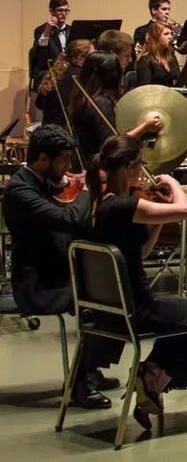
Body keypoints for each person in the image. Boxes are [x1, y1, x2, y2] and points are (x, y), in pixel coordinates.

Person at [88, 135, 187, 429]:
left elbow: (141, 252)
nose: (143, 172)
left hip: (114, 308)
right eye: (140, 165)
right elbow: (185, 211)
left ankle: (152, 376)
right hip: (138, 308)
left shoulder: (103, 204)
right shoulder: (123, 206)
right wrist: (173, 183)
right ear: (129, 167)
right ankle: (152, 375)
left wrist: (156, 222)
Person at [3, 125, 121, 409]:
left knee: (117, 296)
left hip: (59, 274)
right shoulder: (20, 190)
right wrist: (87, 190)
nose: (69, 168)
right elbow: (69, 218)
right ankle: (81, 385)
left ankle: (90, 369)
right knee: (96, 303)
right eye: (65, 160)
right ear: (43, 159)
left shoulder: (45, 182)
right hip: (37, 284)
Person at [69, 52, 164, 165]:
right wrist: (144, 127)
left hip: (89, 160)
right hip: (100, 166)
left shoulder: (81, 97)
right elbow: (112, 146)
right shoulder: (101, 103)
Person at [36, 39, 92, 129]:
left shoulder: (53, 73)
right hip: (68, 132)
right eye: (93, 56)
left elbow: (39, 104)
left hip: (48, 130)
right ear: (80, 58)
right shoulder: (84, 77)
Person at [30, 0, 72, 83]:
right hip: (48, 71)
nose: (64, 14)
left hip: (68, 71)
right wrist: (47, 30)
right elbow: (40, 52)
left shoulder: (71, 29)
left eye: (66, 10)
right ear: (51, 11)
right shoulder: (41, 30)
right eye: (60, 10)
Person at [134, 22, 180, 87]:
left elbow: (178, 78)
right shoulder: (144, 60)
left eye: (171, 34)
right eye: (166, 34)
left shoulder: (171, 56)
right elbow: (144, 88)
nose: (170, 37)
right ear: (155, 37)